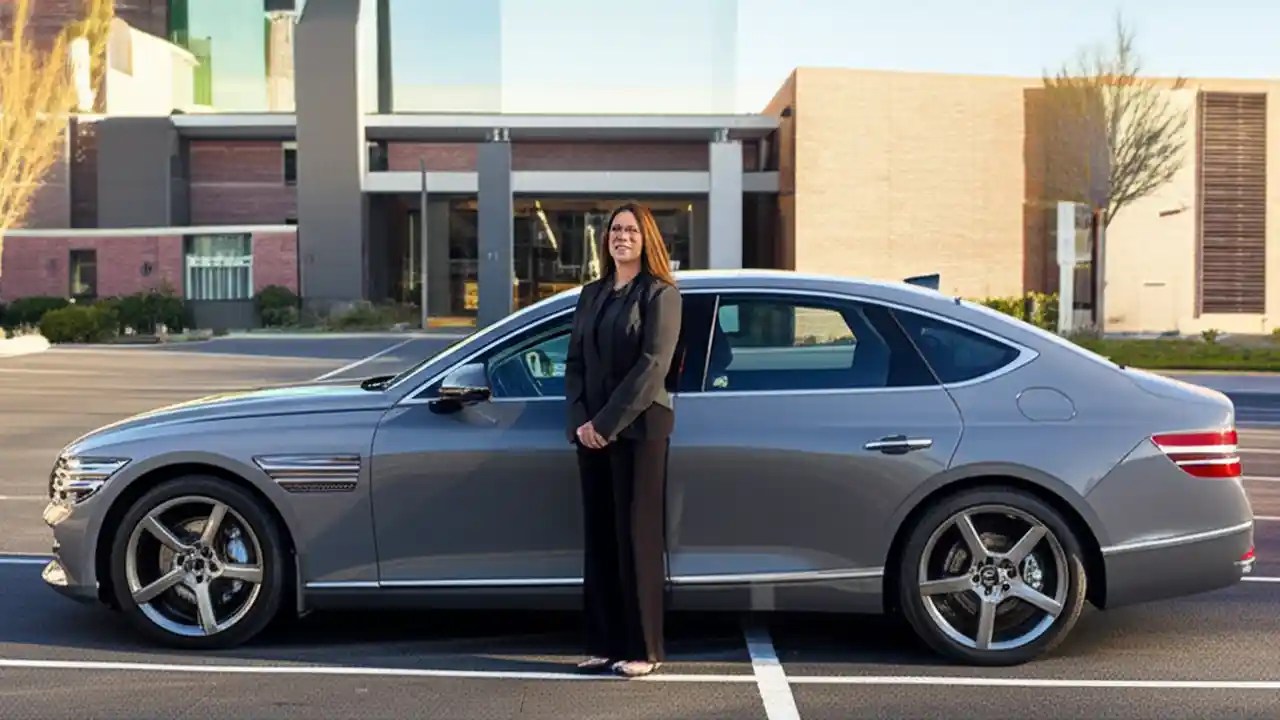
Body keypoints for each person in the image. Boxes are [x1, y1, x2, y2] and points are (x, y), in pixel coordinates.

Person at [564, 201, 682, 678]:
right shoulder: (591, 294)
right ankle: (603, 643)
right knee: (601, 538)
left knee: (636, 538)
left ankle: (643, 648)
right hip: (591, 434)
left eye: (631, 229)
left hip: (639, 432)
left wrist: (605, 423)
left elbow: (653, 365)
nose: (622, 236)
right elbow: (574, 364)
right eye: (615, 229)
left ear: (646, 238)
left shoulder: (660, 295)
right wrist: (581, 422)